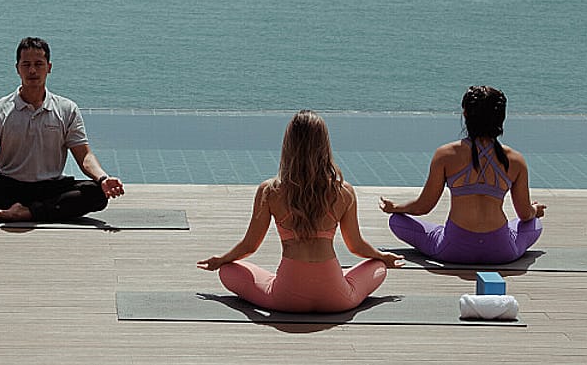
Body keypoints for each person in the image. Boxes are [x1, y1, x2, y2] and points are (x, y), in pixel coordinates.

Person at [197, 110, 402, 313]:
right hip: (336, 298)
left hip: (286, 297)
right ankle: (335, 276)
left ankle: (315, 279)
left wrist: (221, 259)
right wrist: (382, 256)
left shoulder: (270, 191)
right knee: (378, 267)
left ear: (288, 145)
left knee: (228, 270)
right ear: (324, 145)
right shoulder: (344, 191)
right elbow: (356, 246)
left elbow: (249, 246)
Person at [0, 37, 125, 223]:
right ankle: (37, 211)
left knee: (97, 194)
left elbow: (84, 156)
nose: (32, 70)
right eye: (26, 64)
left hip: (51, 186)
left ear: (49, 67)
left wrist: (103, 178)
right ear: (17, 68)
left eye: (39, 64)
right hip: (9, 185)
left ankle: (22, 213)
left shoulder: (67, 109)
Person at [380, 85, 544, 264]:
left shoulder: (446, 154)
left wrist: (395, 208)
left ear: (465, 113)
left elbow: (423, 207)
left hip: (453, 249)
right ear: (501, 117)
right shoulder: (515, 159)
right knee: (534, 223)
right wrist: (534, 210)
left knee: (397, 221)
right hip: (501, 251)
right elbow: (524, 214)